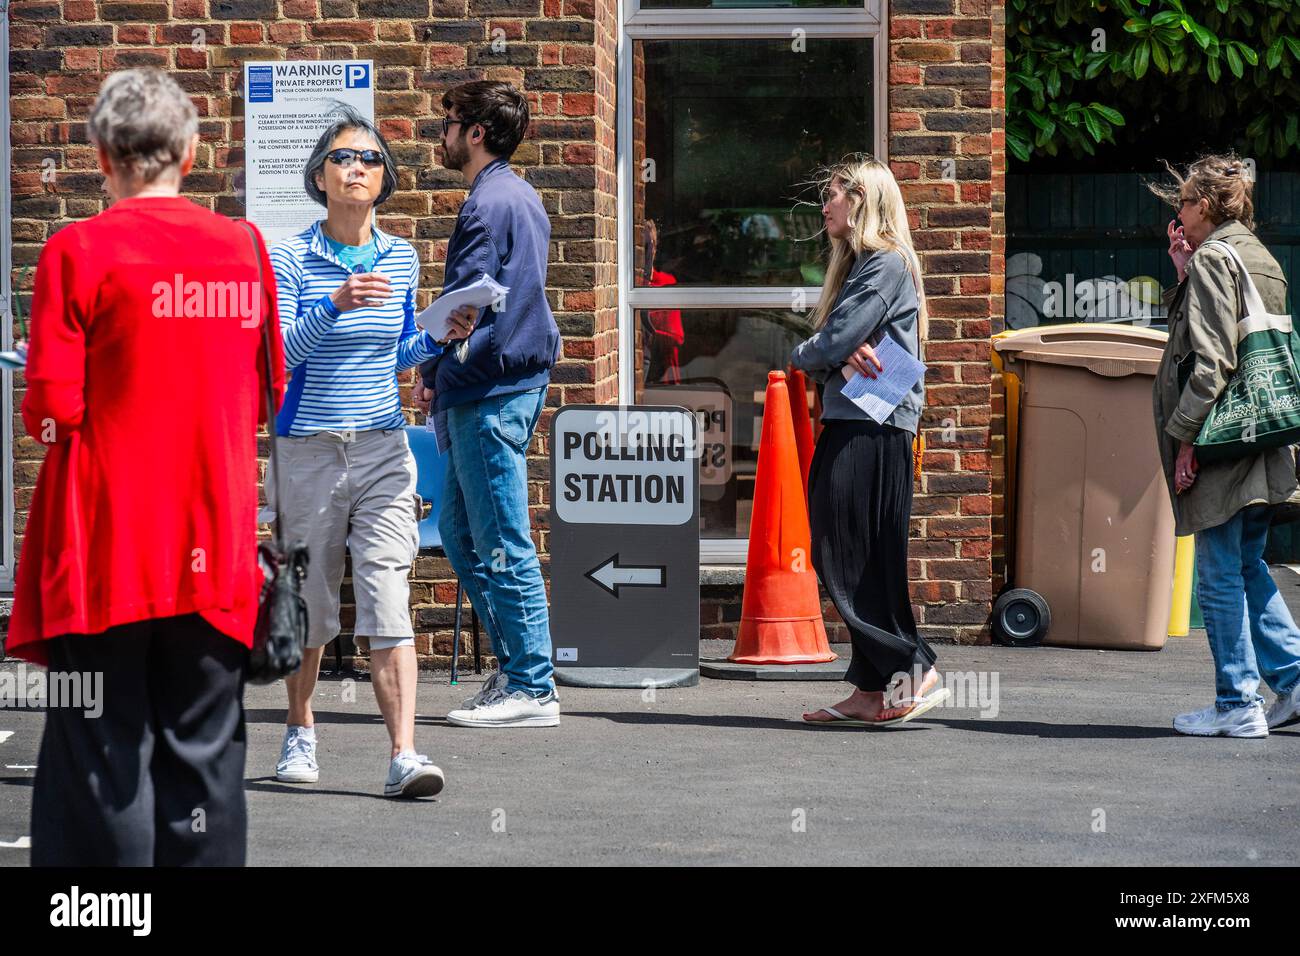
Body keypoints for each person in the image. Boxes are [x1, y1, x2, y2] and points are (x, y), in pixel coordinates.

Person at [8, 68, 284, 865]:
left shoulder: (77, 250)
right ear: (191, 153)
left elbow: (53, 413)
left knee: (100, 760)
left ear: (102, 153)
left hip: (102, 553)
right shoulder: (244, 247)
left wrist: (47, 377)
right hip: (214, 545)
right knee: (204, 762)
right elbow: (269, 391)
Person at [268, 107, 472, 793]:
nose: (358, 168)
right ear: (320, 177)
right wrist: (333, 305)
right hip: (309, 450)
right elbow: (281, 357)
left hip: (384, 449)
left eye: (371, 160)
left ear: (384, 181)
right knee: (313, 599)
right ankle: (300, 731)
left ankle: (403, 754)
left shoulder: (401, 254)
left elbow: (398, 354)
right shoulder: (290, 257)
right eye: (343, 158)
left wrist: (441, 335)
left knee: (388, 592)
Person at [412, 81, 563, 728]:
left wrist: (429, 366)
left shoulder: (485, 206)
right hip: (508, 386)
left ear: (475, 133)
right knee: (463, 532)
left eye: (447, 123)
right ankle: (516, 673)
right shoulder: (522, 197)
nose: (440, 135)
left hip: (485, 391)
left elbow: (465, 308)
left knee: (499, 538)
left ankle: (532, 685)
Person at [792, 154, 949, 727]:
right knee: (862, 556)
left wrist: (815, 355)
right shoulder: (865, 267)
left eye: (833, 194)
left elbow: (826, 344)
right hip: (861, 421)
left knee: (843, 550)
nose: (825, 205)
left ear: (862, 201)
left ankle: (911, 667)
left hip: (872, 427)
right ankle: (869, 688)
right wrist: (832, 351)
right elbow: (837, 343)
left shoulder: (883, 264)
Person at [1150, 154, 1300, 737]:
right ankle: (1289, 680)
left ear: (1205, 206)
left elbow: (1211, 364)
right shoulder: (1255, 255)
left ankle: (1237, 703)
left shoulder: (1216, 256)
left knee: (1215, 572)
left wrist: (1185, 437)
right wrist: (1183, 271)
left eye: (1183, 203)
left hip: (1223, 438)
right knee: (1247, 564)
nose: (1178, 212)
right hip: (1263, 437)